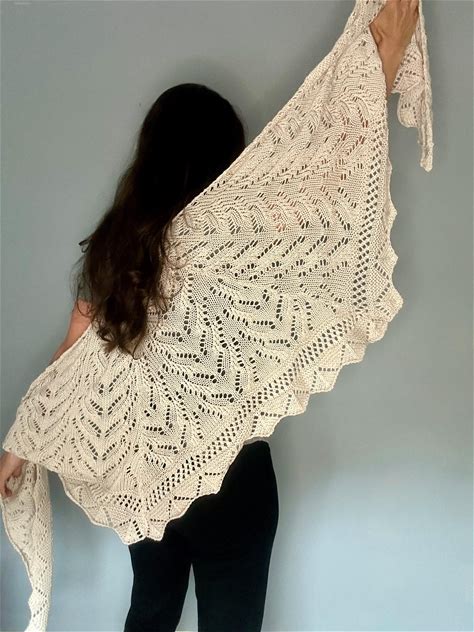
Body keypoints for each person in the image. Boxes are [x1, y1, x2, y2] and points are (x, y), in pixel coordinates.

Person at [0, 1, 419, 630]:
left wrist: (20, 445)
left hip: (147, 471)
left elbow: (71, 360)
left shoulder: (119, 249)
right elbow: (328, 175)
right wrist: (382, 56)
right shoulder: (244, 240)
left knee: (150, 613)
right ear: (233, 161)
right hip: (235, 478)